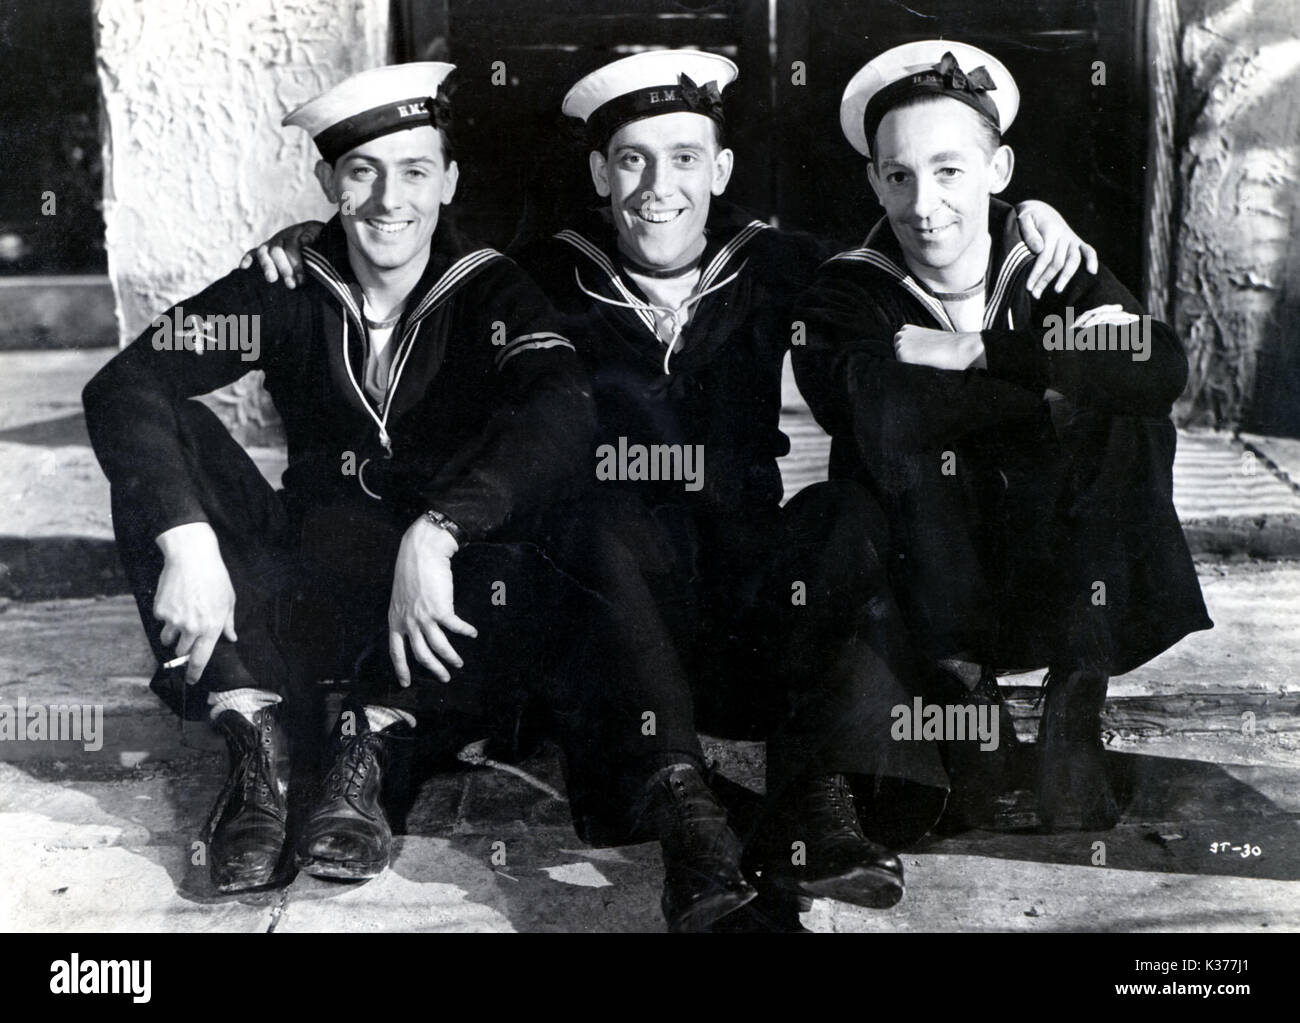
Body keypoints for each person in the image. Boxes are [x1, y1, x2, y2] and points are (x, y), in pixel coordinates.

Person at [246, 50, 1093, 931]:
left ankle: (817, 797)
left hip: (739, 605)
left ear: (719, 170)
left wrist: (1024, 212)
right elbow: (417, 247)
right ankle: (686, 814)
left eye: (685, 157)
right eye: (632, 159)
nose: (659, 186)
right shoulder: (543, 272)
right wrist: (307, 241)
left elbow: (909, 232)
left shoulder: (772, 262)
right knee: (602, 515)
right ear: (598, 174)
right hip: (608, 614)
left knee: (841, 513)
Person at [82, 62, 594, 894]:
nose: (391, 200)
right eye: (363, 171)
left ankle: (374, 746)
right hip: (310, 581)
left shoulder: (492, 286)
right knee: (161, 435)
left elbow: (563, 411)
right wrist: (188, 541)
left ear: (449, 180)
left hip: (430, 602)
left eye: (416, 171)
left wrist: (441, 529)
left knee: (528, 520)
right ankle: (258, 742)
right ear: (328, 181)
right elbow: (125, 383)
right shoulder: (290, 279)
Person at [793, 41, 1213, 833]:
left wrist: (985, 350)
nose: (924, 204)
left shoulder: (1049, 258)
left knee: (1131, 423)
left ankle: (1074, 703)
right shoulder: (849, 289)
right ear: (873, 180)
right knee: (1056, 406)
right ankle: (971, 710)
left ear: (1000, 169)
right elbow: (882, 421)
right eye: (900, 175)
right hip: (934, 603)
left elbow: (1160, 366)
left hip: (1055, 583)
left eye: (950, 170)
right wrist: (1058, 379)